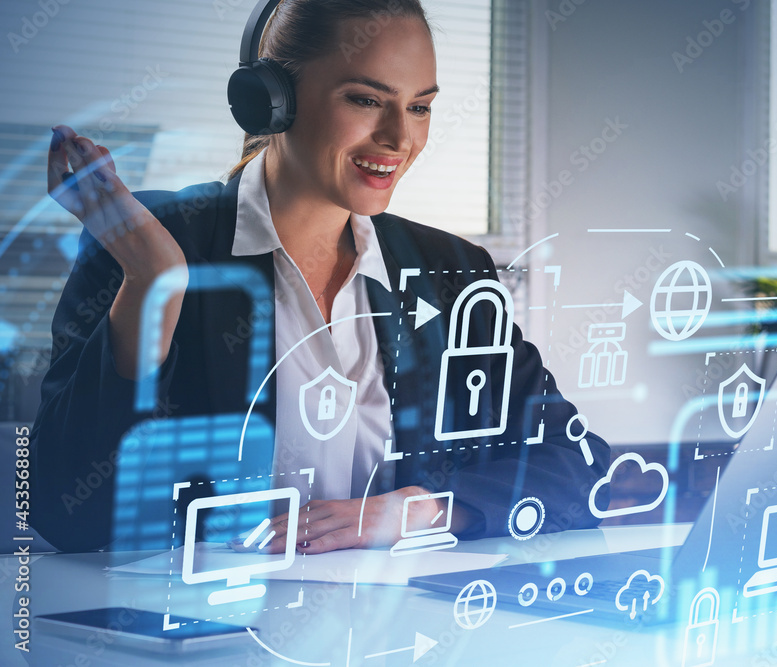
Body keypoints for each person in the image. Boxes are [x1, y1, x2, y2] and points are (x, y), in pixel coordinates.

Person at [31, 0, 609, 554]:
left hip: (401, 636)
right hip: (212, 635)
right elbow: (67, 512)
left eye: (420, 106)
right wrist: (154, 280)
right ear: (270, 101)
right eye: (365, 99)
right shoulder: (150, 242)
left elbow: (580, 464)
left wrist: (416, 510)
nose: (399, 139)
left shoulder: (451, 273)